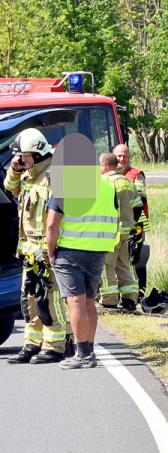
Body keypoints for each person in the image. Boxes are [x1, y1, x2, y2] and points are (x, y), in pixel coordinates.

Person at [44, 150, 121, 368]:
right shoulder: (107, 187)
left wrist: (51, 251)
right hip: (96, 252)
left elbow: (52, 224)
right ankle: (89, 350)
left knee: (75, 302)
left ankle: (82, 354)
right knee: (89, 302)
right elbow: (115, 219)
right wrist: (106, 246)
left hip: (69, 252)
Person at [4, 129, 68, 364]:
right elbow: (10, 188)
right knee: (29, 299)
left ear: (38, 154)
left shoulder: (53, 177)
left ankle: (55, 346)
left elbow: (61, 218)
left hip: (47, 251)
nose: (21, 159)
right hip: (29, 252)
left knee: (49, 300)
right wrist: (15, 169)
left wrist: (50, 249)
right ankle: (32, 343)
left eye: (24, 156)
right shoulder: (29, 176)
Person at [100, 151, 144, 311]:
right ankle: (130, 299)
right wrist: (130, 225)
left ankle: (109, 300)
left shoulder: (104, 182)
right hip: (126, 232)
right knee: (123, 265)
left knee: (107, 266)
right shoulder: (128, 182)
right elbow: (138, 206)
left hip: (110, 233)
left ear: (104, 166)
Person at [115, 143, 152, 301]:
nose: (122, 159)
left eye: (125, 156)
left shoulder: (136, 175)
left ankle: (140, 293)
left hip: (136, 224)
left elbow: (141, 198)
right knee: (117, 260)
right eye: (119, 156)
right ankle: (120, 294)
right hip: (116, 224)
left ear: (129, 157)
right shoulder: (109, 174)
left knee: (136, 259)